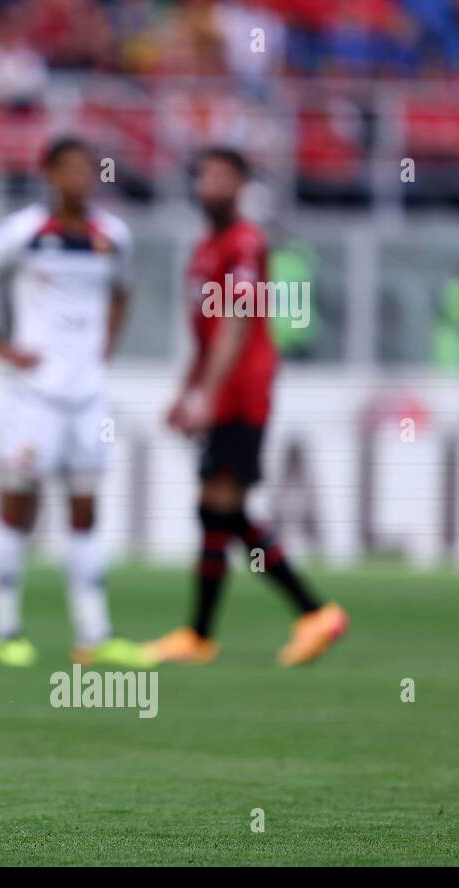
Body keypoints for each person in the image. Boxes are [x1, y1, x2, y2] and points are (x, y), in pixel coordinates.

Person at [141, 147, 347, 667]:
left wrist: (206, 395)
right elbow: (205, 334)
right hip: (220, 391)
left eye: (224, 176)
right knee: (219, 512)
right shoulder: (204, 247)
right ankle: (214, 631)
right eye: (205, 174)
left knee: (219, 508)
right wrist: (185, 390)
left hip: (243, 393)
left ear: (240, 186)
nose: (212, 185)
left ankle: (305, 613)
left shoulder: (246, 243)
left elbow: (235, 321)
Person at [0, 136, 143, 668]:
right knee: (18, 508)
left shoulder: (114, 236)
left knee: (85, 511)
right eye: (68, 169)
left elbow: (124, 292)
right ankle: (5, 629)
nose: (79, 178)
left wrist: (104, 349)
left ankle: (93, 635)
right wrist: (3, 349)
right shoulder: (23, 232)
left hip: (88, 398)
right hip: (34, 398)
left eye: (86, 168)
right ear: (49, 175)